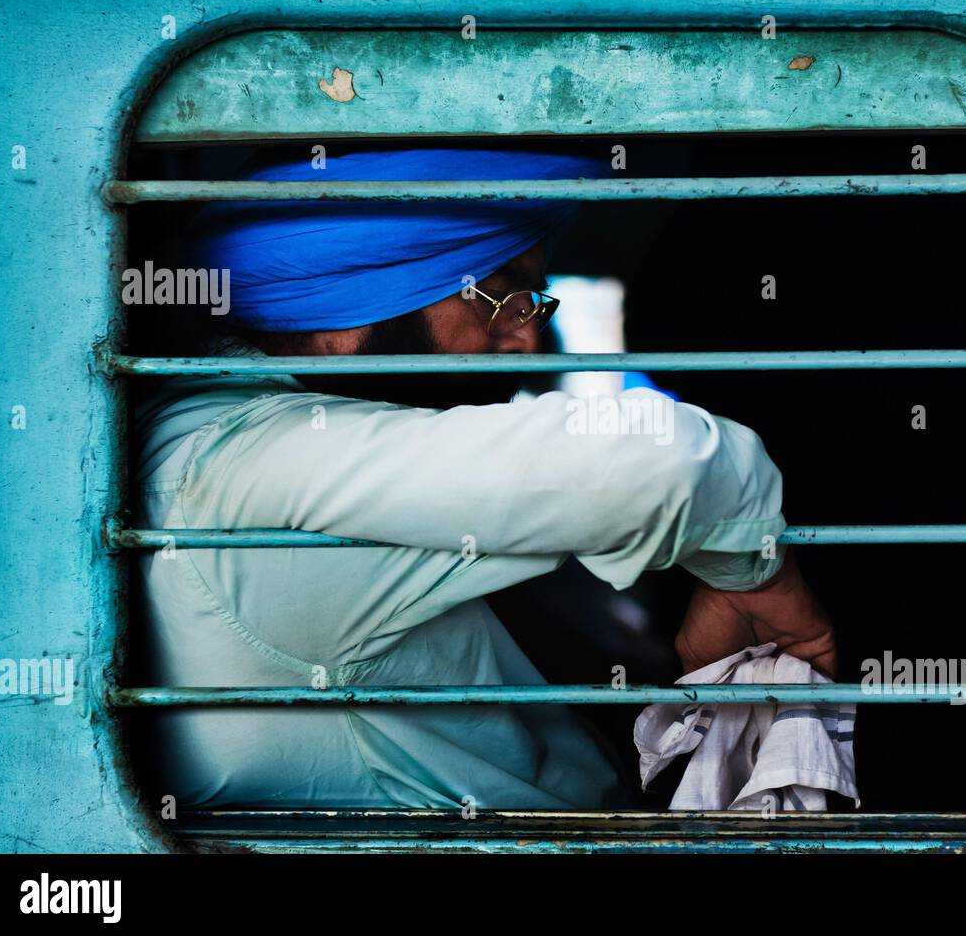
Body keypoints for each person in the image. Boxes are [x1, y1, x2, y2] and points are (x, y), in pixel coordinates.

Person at [133, 147, 836, 810]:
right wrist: (756, 578)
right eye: (499, 299)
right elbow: (668, 461)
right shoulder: (246, 469)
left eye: (536, 303)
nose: (527, 339)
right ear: (342, 313)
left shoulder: (217, 438)